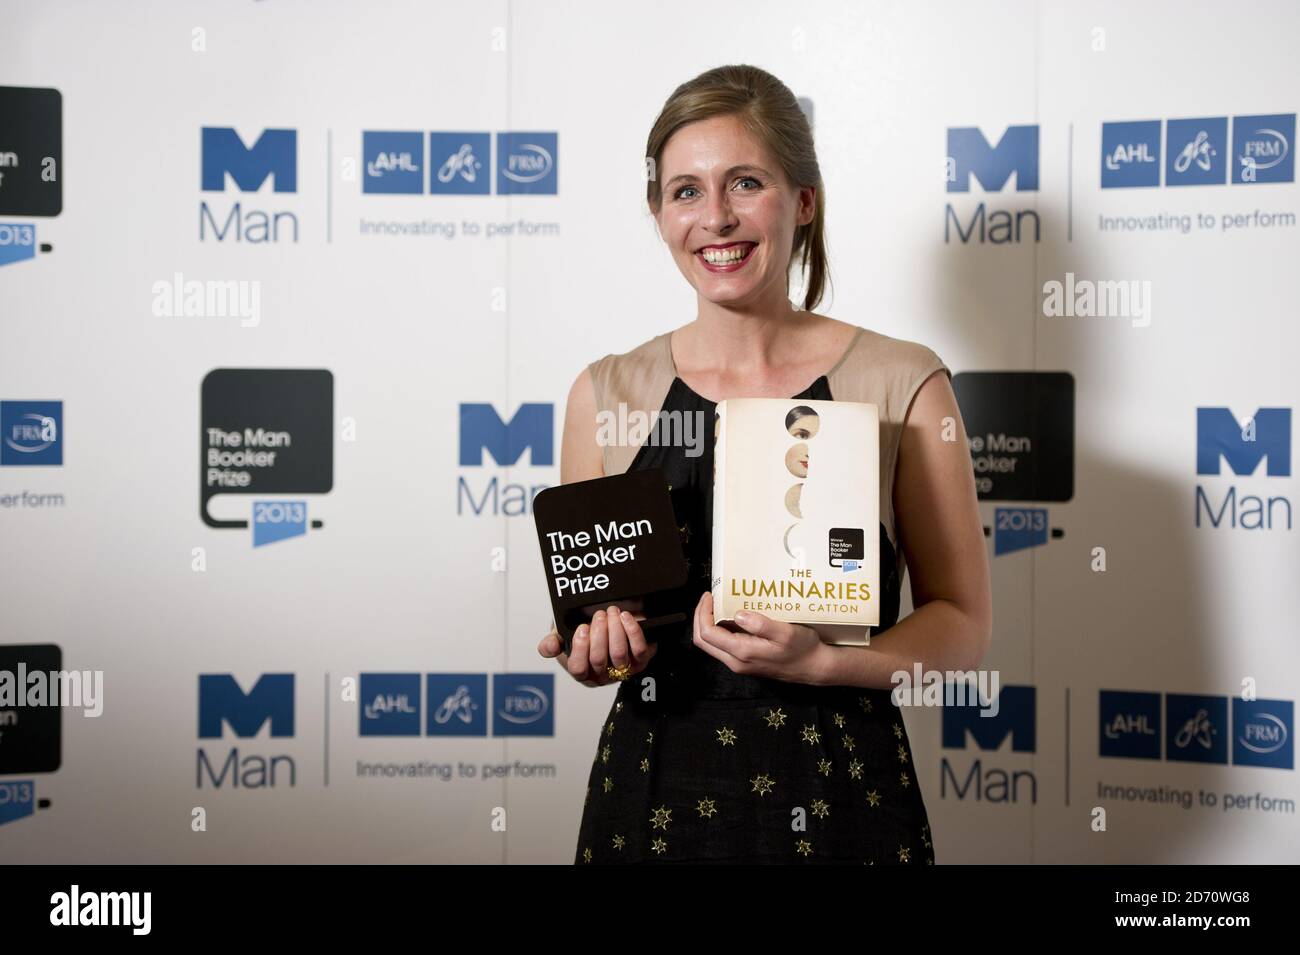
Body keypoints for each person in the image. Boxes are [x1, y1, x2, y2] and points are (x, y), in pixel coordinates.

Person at [537, 64, 991, 864]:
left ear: (803, 200)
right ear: (658, 212)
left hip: (843, 787)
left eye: (745, 182)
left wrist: (827, 661)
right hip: (654, 794)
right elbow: (593, 634)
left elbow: (961, 622)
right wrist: (594, 649)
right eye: (685, 191)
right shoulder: (605, 392)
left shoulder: (902, 381)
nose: (715, 217)